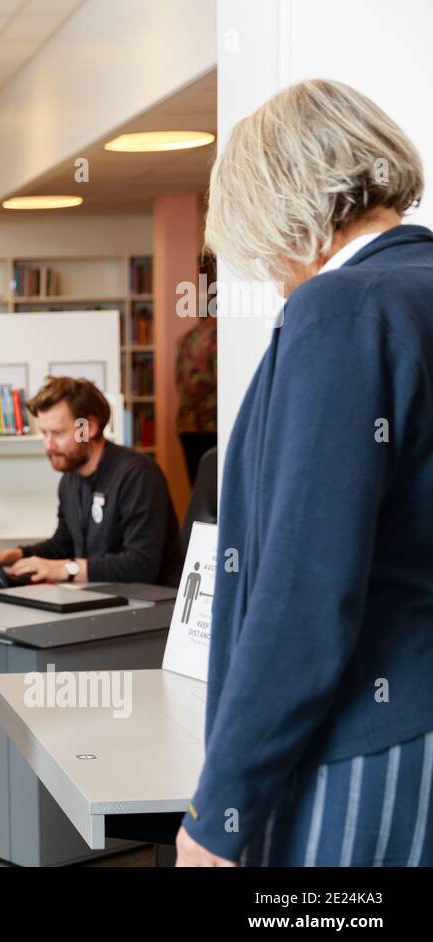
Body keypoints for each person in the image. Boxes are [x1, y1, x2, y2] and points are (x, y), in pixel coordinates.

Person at [177, 79, 433, 867]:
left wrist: (218, 813)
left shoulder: (341, 310)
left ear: (288, 206)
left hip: (360, 737)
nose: (274, 276)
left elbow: (305, 589)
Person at [0, 376, 181, 586]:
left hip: (149, 607)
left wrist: (66, 569)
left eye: (57, 434)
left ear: (89, 428)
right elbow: (62, 546)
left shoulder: (138, 474)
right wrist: (9, 556)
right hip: (103, 600)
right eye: (44, 434)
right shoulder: (70, 480)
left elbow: (141, 565)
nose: (48, 445)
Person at [176, 309, 217, 485]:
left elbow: (178, 381)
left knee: (199, 491)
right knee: (219, 491)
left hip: (188, 424)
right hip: (213, 425)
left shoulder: (187, 338)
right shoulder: (218, 337)